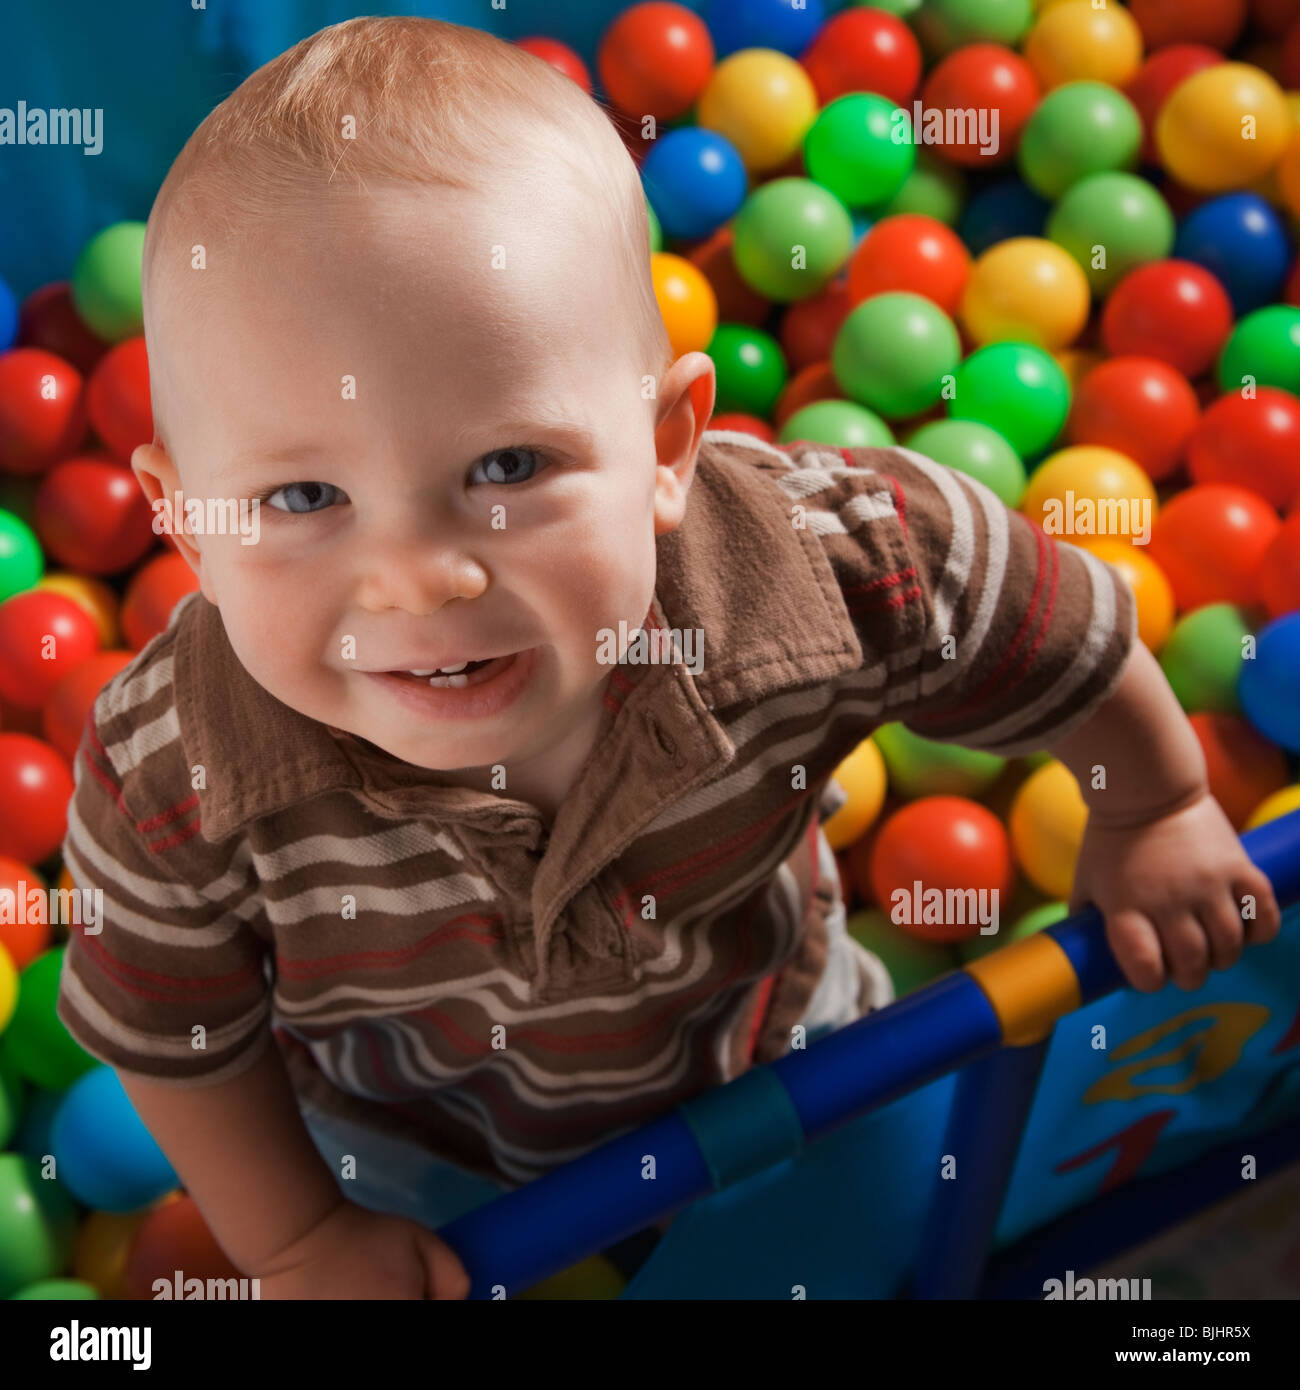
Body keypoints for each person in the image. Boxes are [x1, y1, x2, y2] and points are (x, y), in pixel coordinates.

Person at [54, 16, 1280, 1300]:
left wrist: (1151, 804)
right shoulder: (175, 766)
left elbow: (1034, 607)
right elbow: (173, 1033)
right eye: (302, 497)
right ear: (182, 523)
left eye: (507, 467)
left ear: (668, 444)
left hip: (781, 1049)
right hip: (408, 1135)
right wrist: (298, 1236)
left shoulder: (822, 569)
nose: (418, 578)